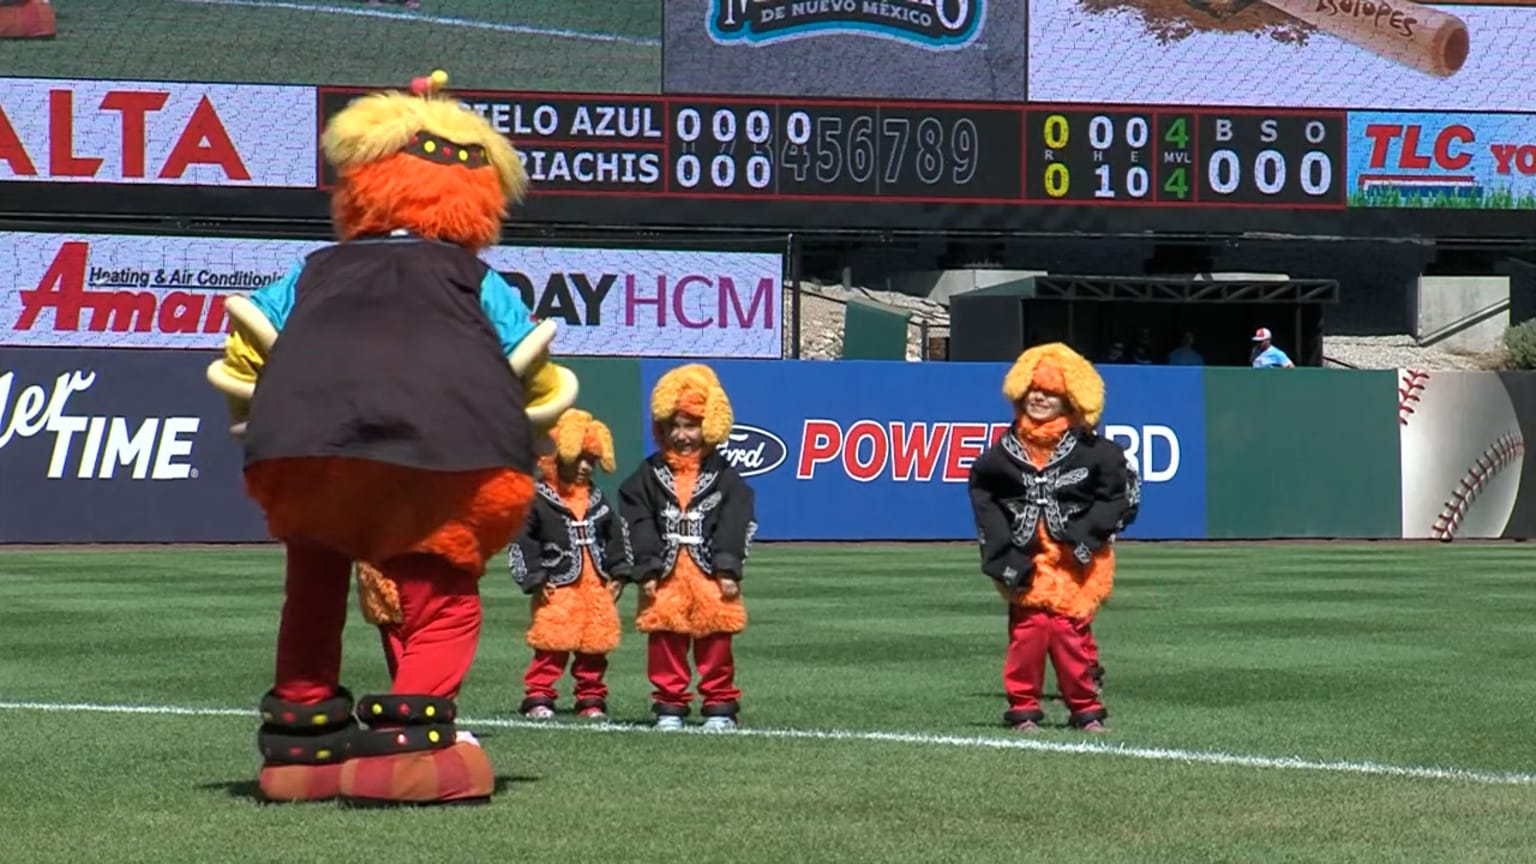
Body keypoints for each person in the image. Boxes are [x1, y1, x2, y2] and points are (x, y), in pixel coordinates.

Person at [203, 69, 579, 805]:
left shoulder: (315, 269)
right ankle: (409, 749)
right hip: (441, 450)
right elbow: (529, 369)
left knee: (311, 585)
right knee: (440, 589)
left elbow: (249, 341)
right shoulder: (473, 279)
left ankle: (300, 747)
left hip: (304, 446)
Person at [967, 343, 1140, 732]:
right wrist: (1000, 555)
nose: (1041, 398)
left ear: (1073, 399)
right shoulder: (1000, 455)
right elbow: (985, 499)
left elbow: (1114, 497)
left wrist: (1086, 537)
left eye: (1053, 392)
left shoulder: (1098, 452)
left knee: (1069, 630)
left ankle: (1085, 708)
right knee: (1029, 631)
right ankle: (1023, 707)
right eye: (1036, 390)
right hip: (1025, 557)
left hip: (1078, 558)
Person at [620, 364, 757, 732]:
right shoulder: (647, 475)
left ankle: (719, 706)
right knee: (665, 639)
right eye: (674, 426)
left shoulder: (725, 476)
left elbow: (735, 520)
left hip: (710, 574)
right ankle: (670, 706)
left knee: (715, 640)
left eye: (691, 425)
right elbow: (638, 520)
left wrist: (728, 568)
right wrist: (646, 568)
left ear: (709, 425)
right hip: (665, 576)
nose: (682, 435)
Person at [511, 409, 631, 722]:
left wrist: (619, 572)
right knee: (551, 643)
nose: (584, 467)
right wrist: (535, 577)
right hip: (557, 586)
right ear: (555, 457)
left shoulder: (597, 499)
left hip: (595, 586)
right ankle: (539, 694)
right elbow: (522, 539)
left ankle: (590, 697)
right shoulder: (537, 498)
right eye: (577, 459)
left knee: (594, 645)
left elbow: (615, 534)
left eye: (590, 461)